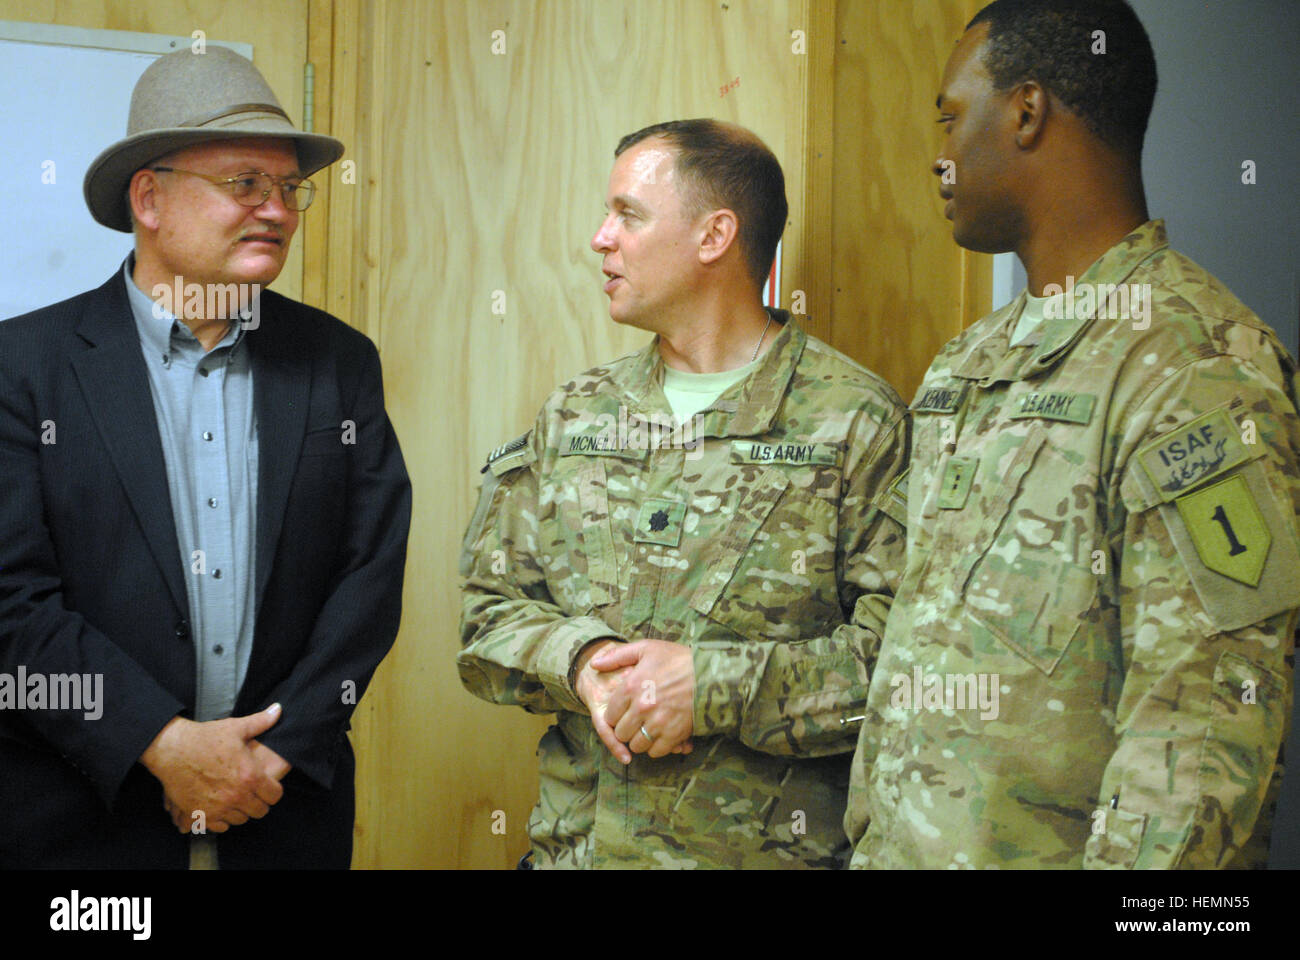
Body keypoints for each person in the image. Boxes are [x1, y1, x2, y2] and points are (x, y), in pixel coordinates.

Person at [845, 0, 1300, 868]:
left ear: (1025, 111)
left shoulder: (1195, 368)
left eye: (950, 115)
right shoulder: (966, 366)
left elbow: (1199, 753)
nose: (938, 155)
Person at [0, 46, 412, 868]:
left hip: (285, 816)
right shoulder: (25, 368)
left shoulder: (339, 363)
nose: (278, 210)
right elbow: (11, 601)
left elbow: (369, 575)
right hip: (82, 824)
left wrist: (276, 751)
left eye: (290, 189)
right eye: (245, 184)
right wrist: (156, 740)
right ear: (149, 197)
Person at [459, 119, 908, 869]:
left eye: (628, 215)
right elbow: (487, 617)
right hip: (578, 854)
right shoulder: (577, 414)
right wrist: (583, 662)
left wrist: (714, 687)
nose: (601, 238)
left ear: (714, 236)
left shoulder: (855, 421)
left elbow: (900, 668)